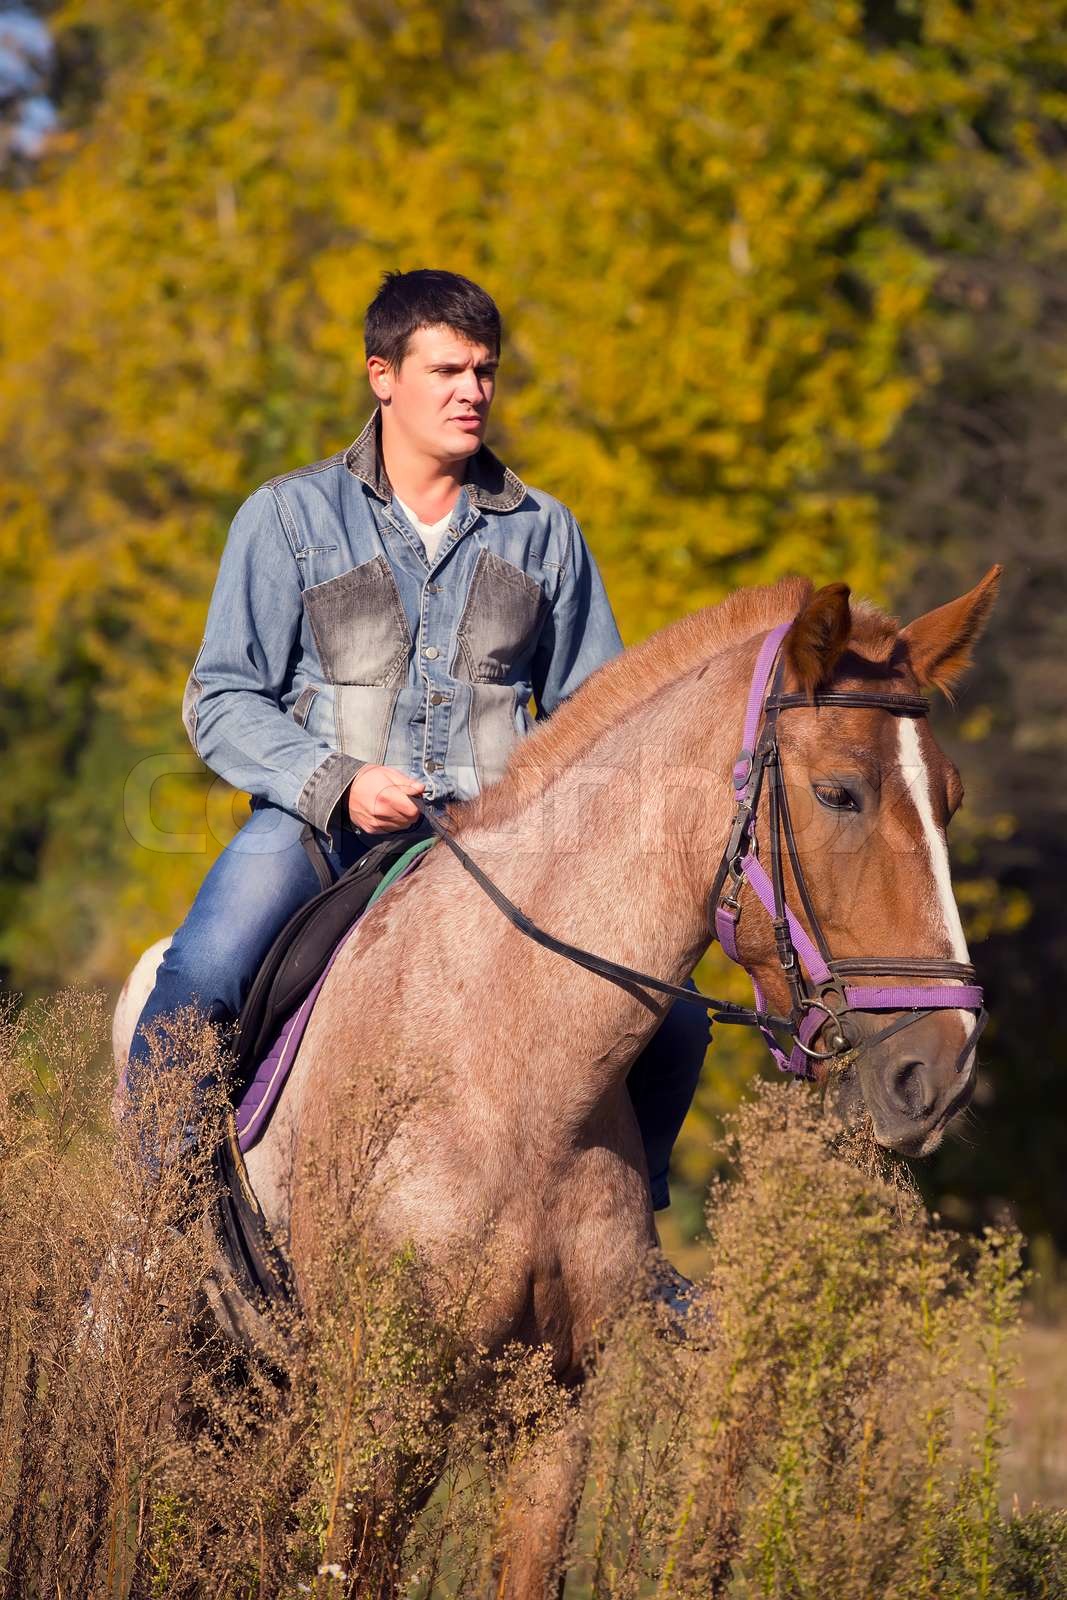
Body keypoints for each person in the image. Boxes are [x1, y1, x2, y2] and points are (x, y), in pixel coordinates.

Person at [126, 268, 708, 1228]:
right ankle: (151, 1233)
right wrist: (338, 782)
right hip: (319, 832)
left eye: (484, 371)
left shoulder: (546, 533)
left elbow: (595, 716)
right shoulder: (288, 517)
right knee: (201, 976)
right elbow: (221, 697)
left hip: (505, 850)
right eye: (446, 370)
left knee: (676, 1018)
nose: (472, 391)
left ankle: (629, 1242)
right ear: (382, 376)